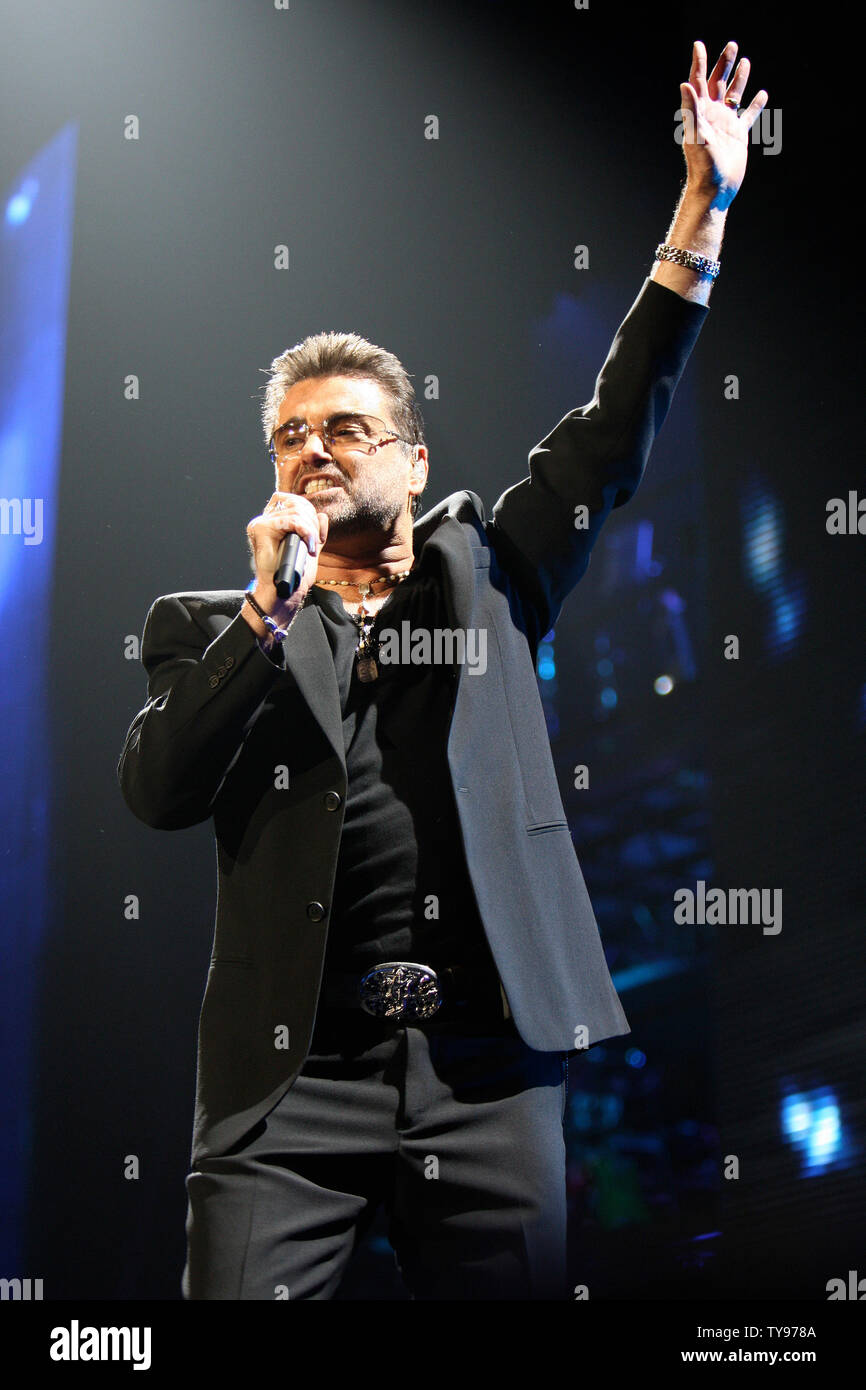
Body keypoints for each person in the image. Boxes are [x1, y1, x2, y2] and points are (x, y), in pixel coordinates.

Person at [118, 40, 766, 1300]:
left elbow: (611, 428)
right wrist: (265, 610)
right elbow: (155, 787)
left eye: (344, 429)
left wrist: (700, 208)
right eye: (287, 435)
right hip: (289, 1089)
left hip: (485, 1069)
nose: (310, 450)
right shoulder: (207, 622)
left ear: (412, 462)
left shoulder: (494, 568)